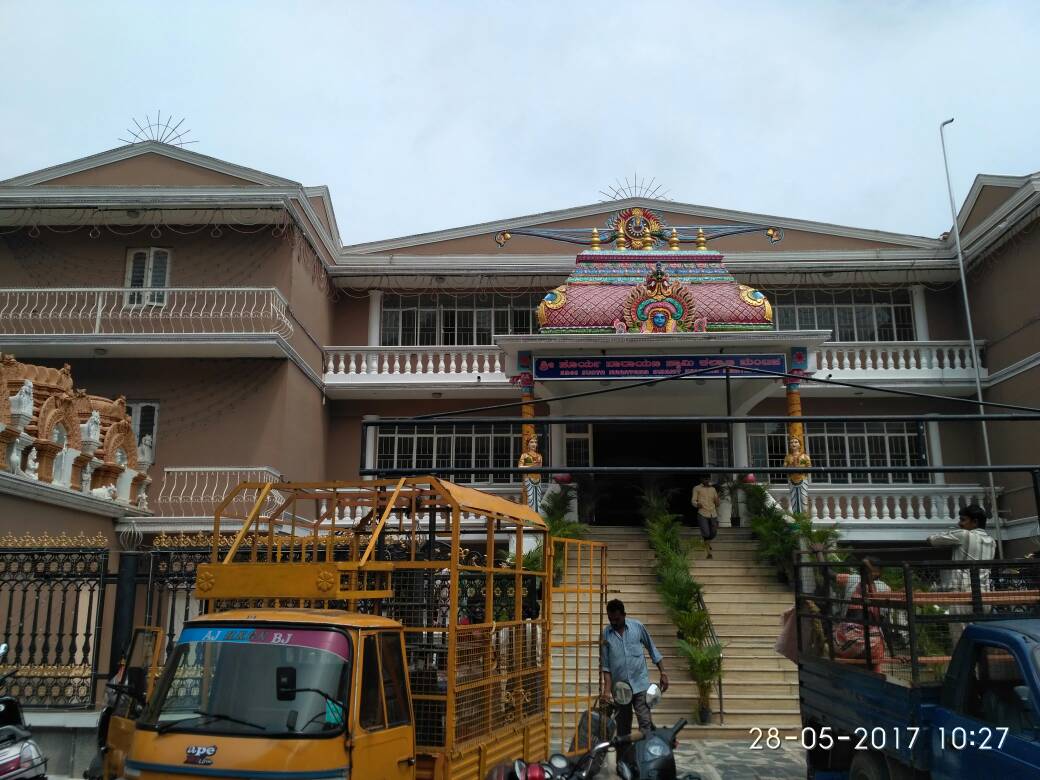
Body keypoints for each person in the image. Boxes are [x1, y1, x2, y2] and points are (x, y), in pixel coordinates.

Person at [600, 599, 668, 753]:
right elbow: (605, 666)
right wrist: (606, 690)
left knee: (645, 724)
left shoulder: (637, 627)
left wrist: (663, 672)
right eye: (611, 619)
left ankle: (646, 757)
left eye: (617, 619)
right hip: (620, 690)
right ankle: (623, 763)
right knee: (623, 729)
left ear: (624, 614)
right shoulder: (606, 633)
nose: (614, 622)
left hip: (640, 685)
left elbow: (653, 649)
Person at [927, 504, 996, 647]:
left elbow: (932, 540)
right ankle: (981, 669)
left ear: (975, 522)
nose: (960, 523)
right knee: (981, 641)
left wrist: (951, 533)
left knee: (961, 643)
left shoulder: (964, 535)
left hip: (963, 596)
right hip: (985, 597)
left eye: (963, 520)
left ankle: (969, 670)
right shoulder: (992, 541)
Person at [832, 556, 891, 673]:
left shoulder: (852, 579)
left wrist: (819, 553)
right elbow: (883, 621)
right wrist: (892, 653)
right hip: (871, 644)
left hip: (845, 641)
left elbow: (827, 573)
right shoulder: (883, 588)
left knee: (835, 636)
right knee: (876, 658)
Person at [691, 475, 720, 559]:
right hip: (702, 513)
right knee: (706, 533)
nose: (707, 480)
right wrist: (697, 504)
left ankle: (706, 542)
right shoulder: (696, 488)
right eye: (705, 478)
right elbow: (693, 501)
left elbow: (717, 503)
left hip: (713, 513)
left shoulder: (713, 489)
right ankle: (709, 553)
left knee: (714, 532)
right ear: (701, 479)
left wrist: (717, 499)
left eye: (708, 479)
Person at [784, 437, 812, 515]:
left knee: (803, 499)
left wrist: (801, 468)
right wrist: (791, 467)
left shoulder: (805, 456)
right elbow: (784, 468)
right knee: (793, 500)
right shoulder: (788, 457)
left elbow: (809, 467)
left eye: (796, 442)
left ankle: (804, 519)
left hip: (802, 479)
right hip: (792, 480)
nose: (793, 444)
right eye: (791, 442)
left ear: (800, 445)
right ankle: (796, 518)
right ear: (789, 445)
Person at [517, 435, 544, 512]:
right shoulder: (525, 455)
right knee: (530, 499)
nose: (534, 444)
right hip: (529, 479)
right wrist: (531, 466)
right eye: (531, 442)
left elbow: (540, 467)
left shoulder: (539, 456)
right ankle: (530, 518)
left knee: (538, 500)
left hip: (538, 479)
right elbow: (520, 467)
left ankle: (537, 518)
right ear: (528, 444)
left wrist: (535, 466)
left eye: (535, 442)